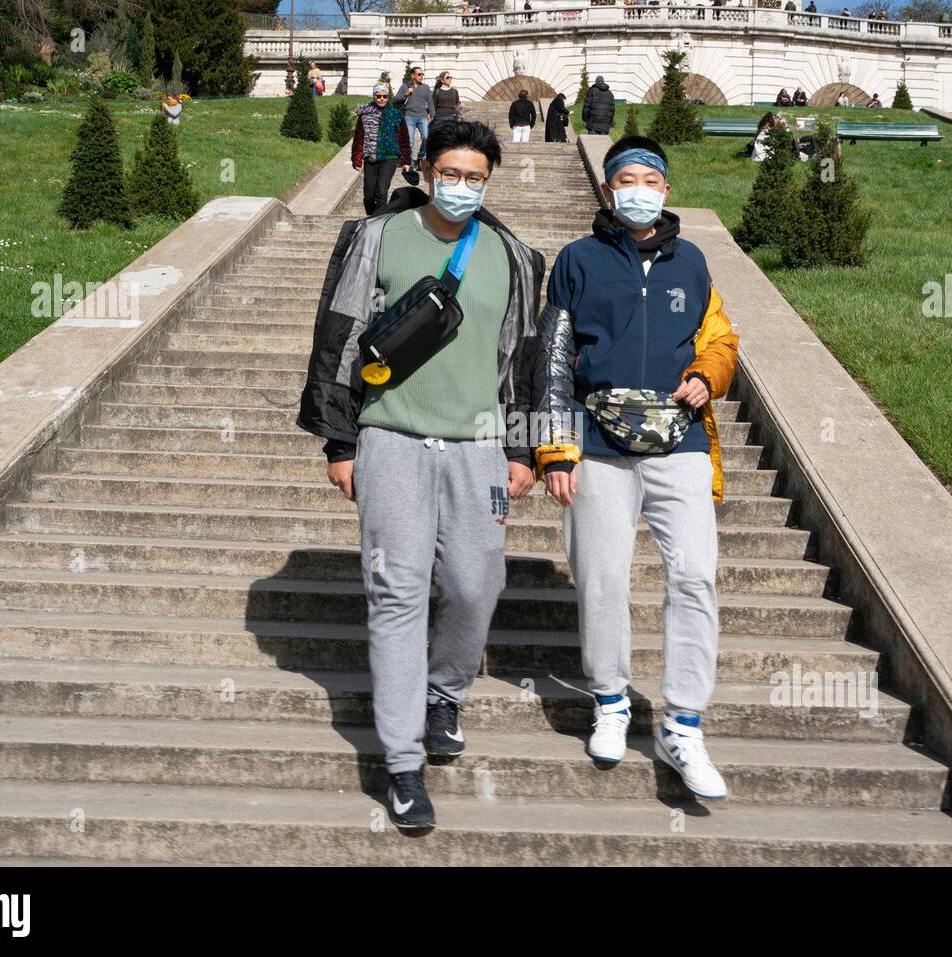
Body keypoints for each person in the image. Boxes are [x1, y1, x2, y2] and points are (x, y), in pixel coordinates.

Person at [297, 120, 545, 832]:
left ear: (489, 182)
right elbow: (339, 334)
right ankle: (402, 763)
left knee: (475, 583)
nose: (462, 186)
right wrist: (340, 441)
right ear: (426, 171)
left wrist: (524, 450)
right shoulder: (377, 236)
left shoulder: (514, 256)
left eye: (476, 177)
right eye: (451, 173)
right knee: (396, 593)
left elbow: (523, 360)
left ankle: (445, 693)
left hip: (481, 448)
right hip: (391, 440)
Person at [532, 136, 739, 800]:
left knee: (695, 575)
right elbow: (552, 358)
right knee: (600, 577)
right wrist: (554, 448)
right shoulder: (576, 260)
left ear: (667, 190)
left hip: (680, 442)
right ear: (607, 190)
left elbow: (720, 340)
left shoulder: (693, 261)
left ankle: (683, 722)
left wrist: (708, 374)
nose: (639, 190)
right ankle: (611, 701)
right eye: (627, 180)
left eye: (651, 179)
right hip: (597, 443)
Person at [352, 84, 412, 215]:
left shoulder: (396, 115)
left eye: (385, 96)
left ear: (388, 97)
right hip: (371, 157)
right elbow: (359, 137)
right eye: (378, 96)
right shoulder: (365, 114)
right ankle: (372, 215)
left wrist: (406, 161)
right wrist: (356, 158)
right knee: (369, 196)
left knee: (382, 192)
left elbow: (404, 139)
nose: (382, 99)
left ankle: (379, 220)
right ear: (374, 96)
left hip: (389, 157)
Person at [394, 65, 436, 163]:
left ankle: (420, 157)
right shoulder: (405, 86)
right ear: (413, 75)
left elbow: (430, 102)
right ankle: (410, 162)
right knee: (410, 141)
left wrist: (432, 115)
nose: (421, 76)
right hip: (409, 116)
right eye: (419, 74)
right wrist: (406, 94)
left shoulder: (425, 87)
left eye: (422, 74)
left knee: (426, 137)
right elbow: (396, 99)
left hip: (423, 117)